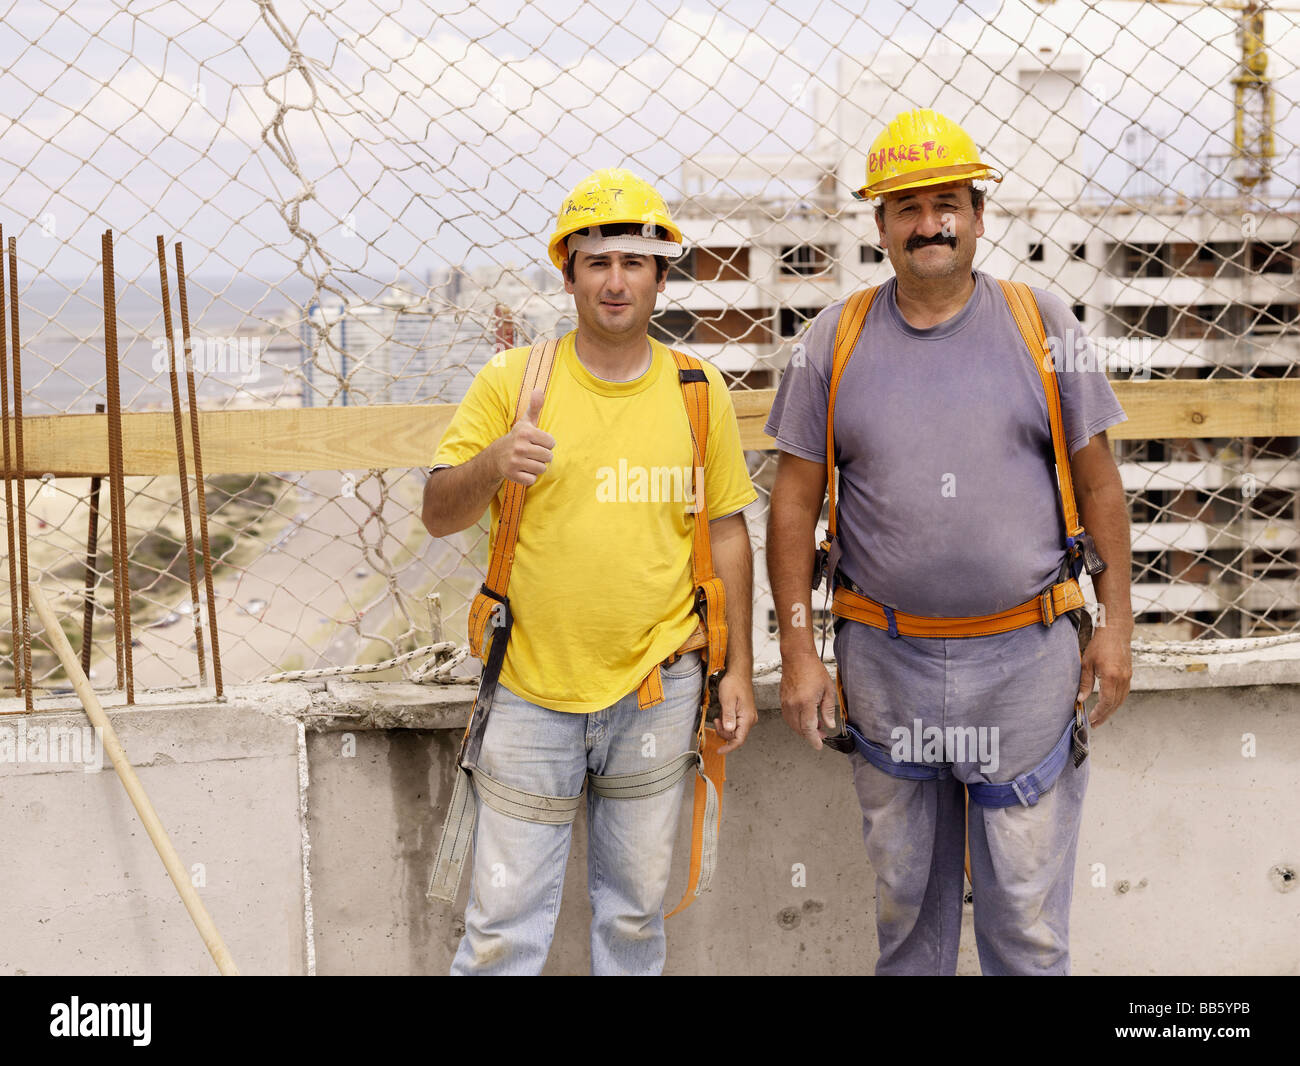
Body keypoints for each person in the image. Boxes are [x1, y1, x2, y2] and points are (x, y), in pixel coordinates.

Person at [765, 109, 1133, 975]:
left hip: (1025, 662)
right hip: (885, 664)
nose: (930, 224)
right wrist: (798, 653)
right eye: (907, 208)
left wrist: (1116, 627)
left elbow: (1100, 481)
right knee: (908, 914)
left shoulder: (1041, 321)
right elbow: (791, 505)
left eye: (947, 204)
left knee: (1027, 922)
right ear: (881, 224)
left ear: (977, 212)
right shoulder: (833, 340)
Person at [422, 167, 758, 975]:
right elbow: (438, 510)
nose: (616, 280)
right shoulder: (515, 384)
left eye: (634, 261)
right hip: (532, 691)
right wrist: (496, 463)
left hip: (659, 688)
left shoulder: (696, 391)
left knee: (635, 923)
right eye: (597, 261)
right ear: (568, 272)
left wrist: (738, 667)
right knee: (501, 931)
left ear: (659, 276)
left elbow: (727, 532)